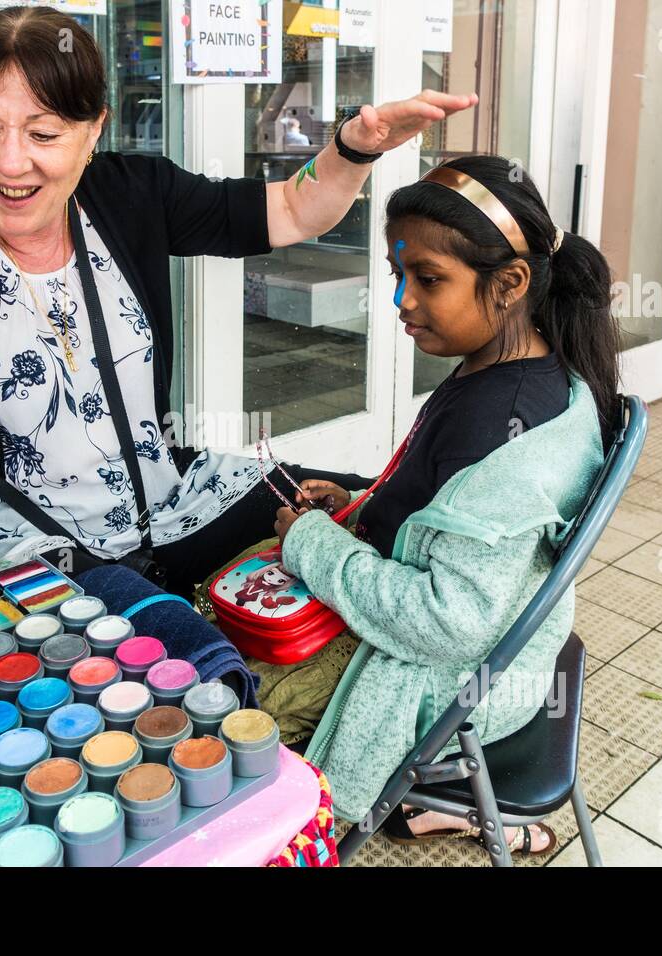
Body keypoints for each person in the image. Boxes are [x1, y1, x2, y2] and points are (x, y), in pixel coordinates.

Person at [0, 5, 477, 690]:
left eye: (43, 133)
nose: (9, 162)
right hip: (19, 552)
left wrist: (353, 148)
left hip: (166, 501)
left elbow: (290, 209)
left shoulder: (127, 193)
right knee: (188, 682)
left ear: (94, 127)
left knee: (369, 516)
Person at [248, 154, 620, 854]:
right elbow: (437, 503)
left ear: (509, 283)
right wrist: (363, 503)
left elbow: (447, 623)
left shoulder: (505, 429)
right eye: (398, 276)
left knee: (221, 696)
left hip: (440, 679)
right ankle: (431, 809)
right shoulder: (502, 369)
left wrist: (313, 544)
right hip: (469, 644)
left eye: (428, 280)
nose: (402, 303)